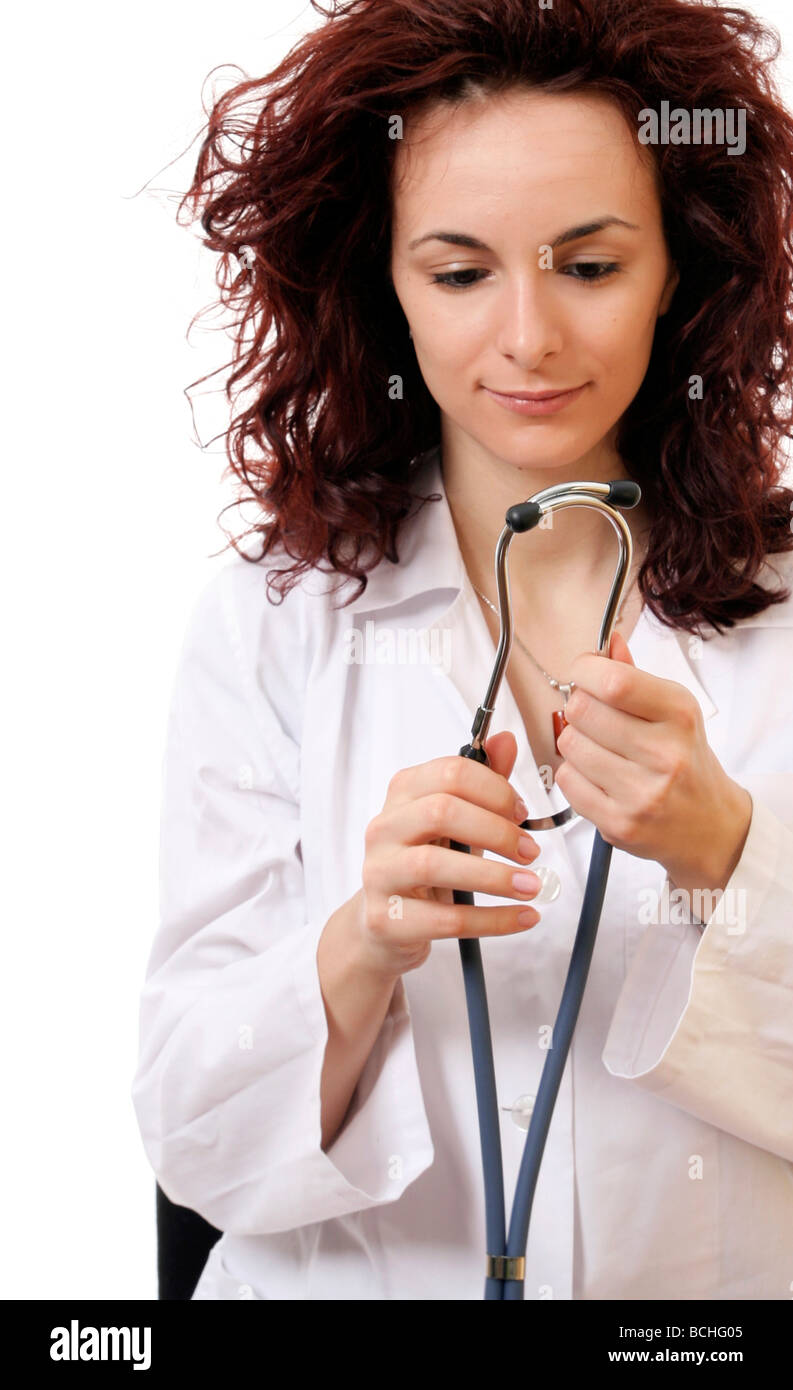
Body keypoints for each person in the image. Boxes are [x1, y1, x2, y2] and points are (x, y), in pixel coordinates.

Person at [131, 0, 793, 1300]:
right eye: (458, 271)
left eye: (590, 266)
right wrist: (359, 945)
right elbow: (189, 1131)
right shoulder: (273, 621)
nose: (528, 336)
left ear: (681, 270)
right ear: (380, 280)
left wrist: (727, 853)